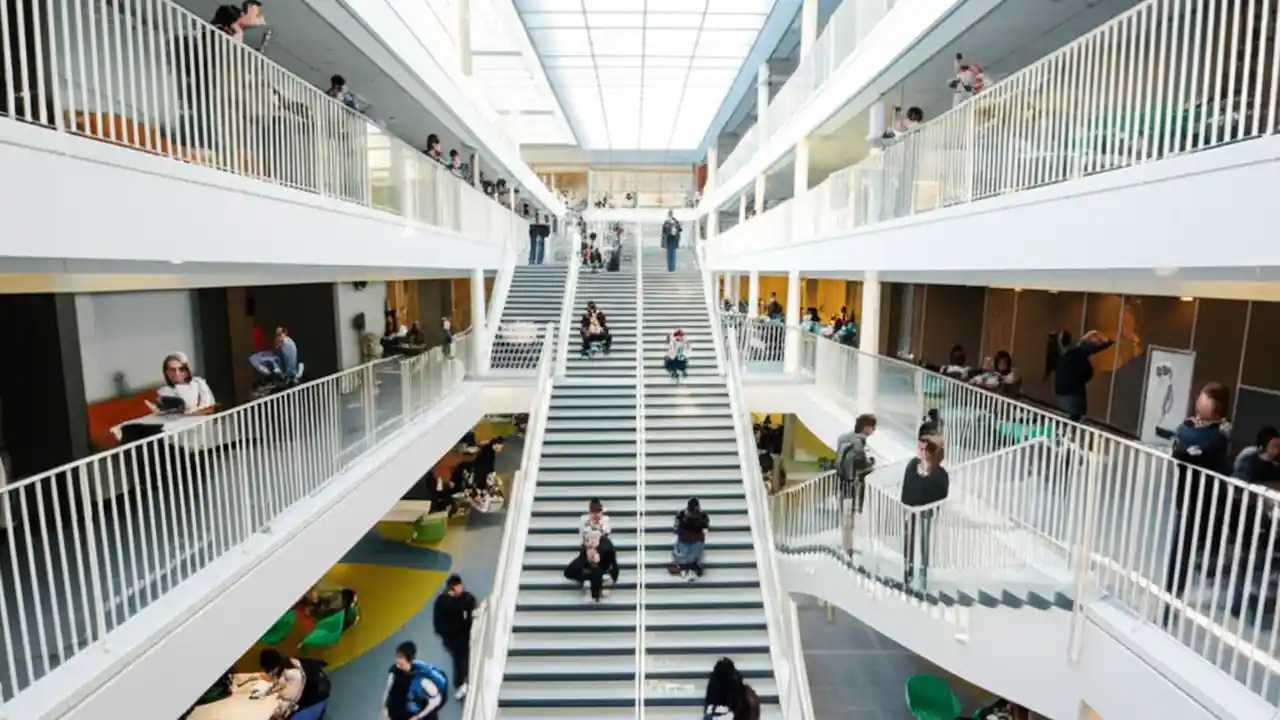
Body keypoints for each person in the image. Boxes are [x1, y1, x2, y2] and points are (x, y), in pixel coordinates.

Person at [1164, 382, 1233, 620]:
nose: (1198, 401)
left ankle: (1174, 598)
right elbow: (1180, 446)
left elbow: (1202, 448)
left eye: (1204, 398)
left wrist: (1187, 445)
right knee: (1180, 551)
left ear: (1216, 405)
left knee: (1188, 551)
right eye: (1199, 396)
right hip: (1186, 496)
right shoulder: (1192, 424)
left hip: (1207, 500)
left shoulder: (1221, 432)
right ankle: (1172, 596)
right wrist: (1186, 444)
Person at [902, 435, 949, 590]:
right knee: (909, 540)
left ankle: (923, 573)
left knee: (925, 542)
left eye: (924, 449)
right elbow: (907, 485)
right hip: (910, 507)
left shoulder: (940, 474)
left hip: (926, 510)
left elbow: (942, 493)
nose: (921, 452)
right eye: (919, 448)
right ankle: (907, 571)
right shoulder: (912, 465)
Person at [836, 414, 877, 558]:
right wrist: (871, 464)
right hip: (853, 482)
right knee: (850, 516)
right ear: (865, 427)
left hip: (842, 481)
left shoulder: (844, 439)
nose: (873, 431)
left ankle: (846, 546)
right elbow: (860, 464)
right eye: (872, 427)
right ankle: (848, 549)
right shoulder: (859, 442)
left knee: (845, 515)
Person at [432, 575, 477, 700]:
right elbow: (439, 622)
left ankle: (462, 682)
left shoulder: (463, 598)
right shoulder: (443, 602)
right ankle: (461, 682)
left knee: (461, 658)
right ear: (454, 587)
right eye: (459, 586)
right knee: (460, 658)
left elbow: (470, 601)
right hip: (454, 637)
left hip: (460, 634)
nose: (462, 588)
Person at [1053, 331, 1115, 421]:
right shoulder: (1077, 354)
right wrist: (1107, 341)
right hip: (1074, 395)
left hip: (1062, 394)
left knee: (1064, 422)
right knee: (1074, 421)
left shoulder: (1064, 356)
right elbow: (1088, 372)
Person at [382, 641, 446, 720]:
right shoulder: (394, 673)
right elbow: (388, 691)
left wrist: (418, 716)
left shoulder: (422, 679)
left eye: (401, 657)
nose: (397, 660)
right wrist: (385, 709)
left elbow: (436, 699)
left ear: (409, 659)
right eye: (397, 657)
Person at [259, 649, 330, 716]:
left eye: (267, 670)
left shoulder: (292, 674)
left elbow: (287, 705)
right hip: (318, 679)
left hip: (318, 691)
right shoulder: (287, 663)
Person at [257, 648, 306, 720]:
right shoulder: (290, 665)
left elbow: (285, 700)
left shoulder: (289, 673)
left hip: (286, 709)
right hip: (291, 703)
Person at [580, 498, 620, 584]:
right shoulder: (584, 520)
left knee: (606, 550)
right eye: (593, 512)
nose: (596, 515)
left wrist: (598, 525)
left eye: (598, 512)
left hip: (602, 547)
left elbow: (606, 533)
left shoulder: (605, 520)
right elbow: (583, 535)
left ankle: (606, 573)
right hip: (589, 546)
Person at [670, 498, 710, 581]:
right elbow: (676, 529)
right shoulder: (681, 515)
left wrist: (698, 524)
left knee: (693, 553)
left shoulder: (702, 516)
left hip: (696, 541)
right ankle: (685, 567)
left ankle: (691, 567)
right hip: (684, 540)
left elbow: (705, 528)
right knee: (682, 553)